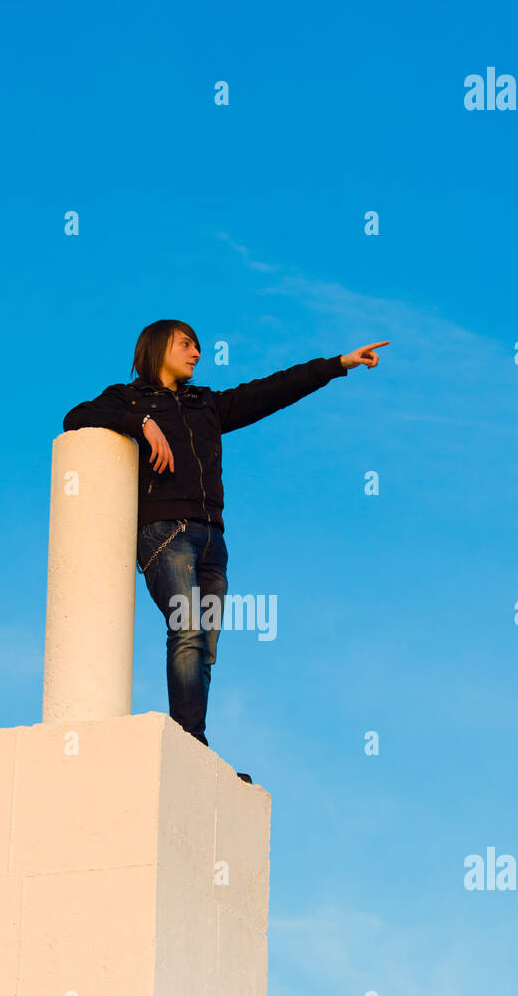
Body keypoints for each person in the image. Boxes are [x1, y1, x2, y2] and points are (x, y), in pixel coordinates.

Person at [63, 320, 388, 775]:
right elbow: (75, 418)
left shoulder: (207, 406)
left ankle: (190, 748)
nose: (197, 353)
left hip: (213, 543)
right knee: (189, 631)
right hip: (166, 534)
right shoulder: (127, 398)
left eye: (197, 346)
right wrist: (142, 422)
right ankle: (191, 745)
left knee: (204, 647)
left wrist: (337, 365)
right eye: (186, 345)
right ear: (158, 348)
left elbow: (275, 389)